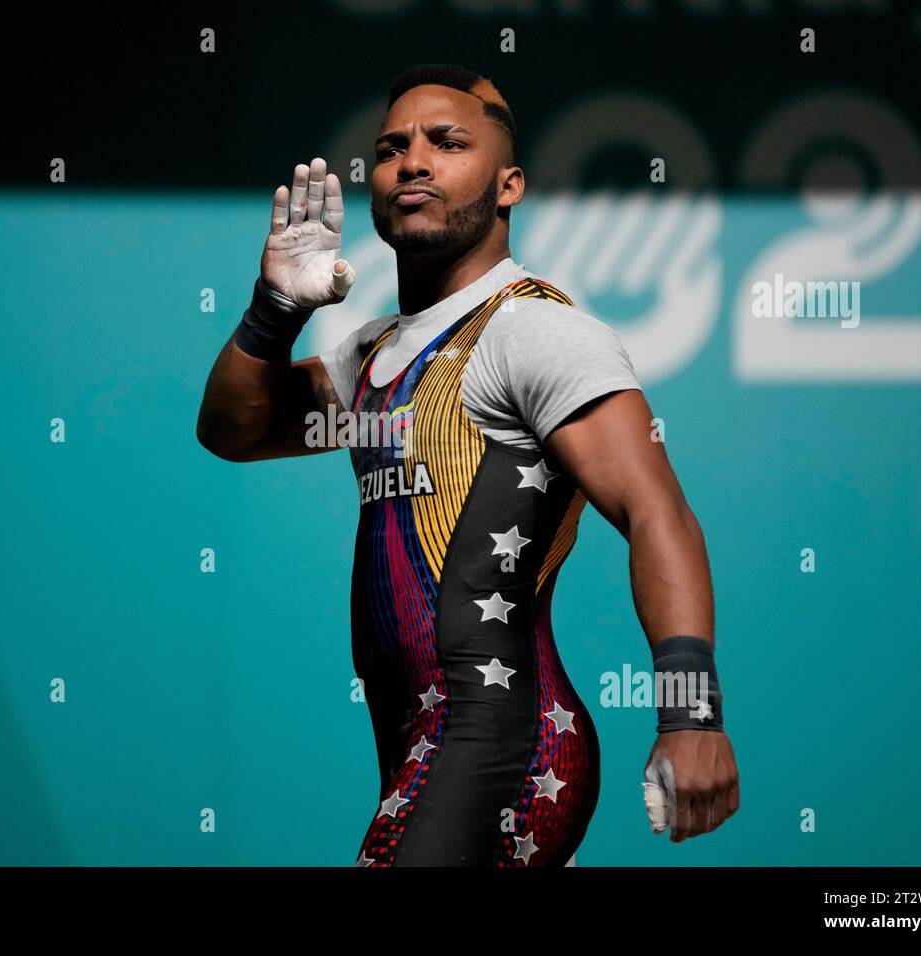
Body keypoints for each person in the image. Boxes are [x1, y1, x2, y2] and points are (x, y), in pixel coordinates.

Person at [197, 63, 738, 866]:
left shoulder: (535, 331)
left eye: (447, 143)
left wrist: (690, 716)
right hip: (423, 753)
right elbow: (234, 430)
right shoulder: (372, 353)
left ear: (509, 184)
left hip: (503, 748)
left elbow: (657, 511)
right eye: (391, 148)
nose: (413, 161)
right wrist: (275, 310)